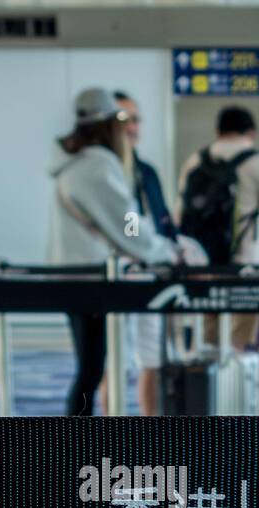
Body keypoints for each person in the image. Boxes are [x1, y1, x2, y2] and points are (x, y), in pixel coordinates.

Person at [48, 87, 181, 415]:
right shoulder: (97, 167)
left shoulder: (72, 164)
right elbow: (129, 229)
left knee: (92, 368)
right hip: (90, 281)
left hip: (74, 277)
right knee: (94, 369)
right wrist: (167, 251)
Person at [177, 105, 259, 350]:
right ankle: (233, 383)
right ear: (252, 133)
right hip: (242, 266)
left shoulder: (194, 161)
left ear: (217, 131)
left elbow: (178, 215)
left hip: (200, 268)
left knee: (205, 342)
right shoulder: (257, 162)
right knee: (237, 344)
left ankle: (204, 383)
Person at [112, 90, 176, 415]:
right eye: (124, 119)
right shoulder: (103, 173)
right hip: (113, 276)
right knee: (114, 359)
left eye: (136, 119)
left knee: (152, 356)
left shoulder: (146, 172)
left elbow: (163, 221)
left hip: (150, 274)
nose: (132, 127)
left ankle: (149, 427)